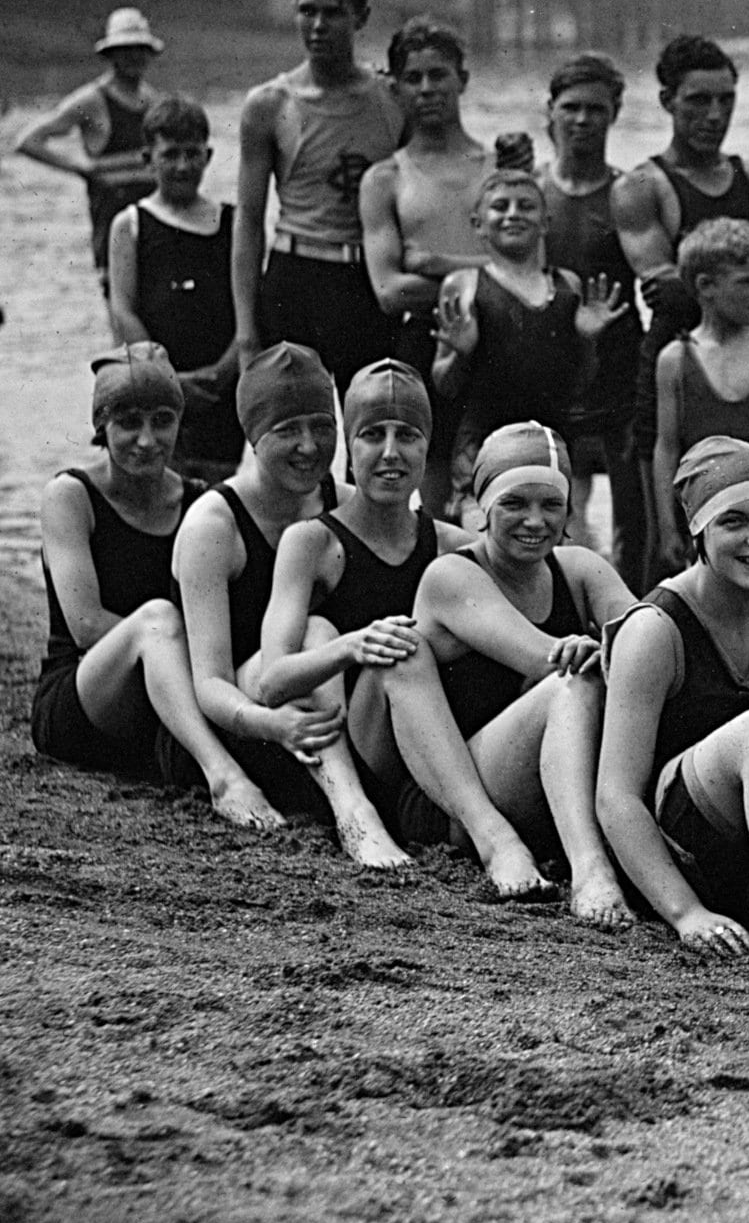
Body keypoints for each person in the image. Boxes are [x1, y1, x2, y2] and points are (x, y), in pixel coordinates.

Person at [251, 361, 555, 899]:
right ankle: (473, 837)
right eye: (373, 435)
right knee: (340, 632)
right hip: (354, 746)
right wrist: (353, 645)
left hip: (436, 756)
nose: (391, 453)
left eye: (408, 436)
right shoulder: (313, 542)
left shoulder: (453, 543)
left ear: (427, 447)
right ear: (348, 445)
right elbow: (271, 682)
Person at [171, 342, 411, 868]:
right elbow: (206, 681)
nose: (309, 446)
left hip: (317, 728)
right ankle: (354, 815)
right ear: (253, 436)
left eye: (322, 426)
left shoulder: (343, 503)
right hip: (239, 725)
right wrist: (270, 724)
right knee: (315, 629)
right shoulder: (214, 527)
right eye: (287, 430)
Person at [410, 423, 642, 922]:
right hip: (456, 802)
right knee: (575, 680)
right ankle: (591, 871)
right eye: (515, 503)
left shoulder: (579, 569)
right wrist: (593, 647)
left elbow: (649, 643)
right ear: (483, 505)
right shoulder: (450, 575)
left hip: (540, 791)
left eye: (551, 505)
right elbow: (543, 656)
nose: (535, 521)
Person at [594, 438, 749, 957]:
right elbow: (616, 797)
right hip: (671, 856)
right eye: (734, 521)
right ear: (698, 530)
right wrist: (685, 913)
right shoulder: (656, 629)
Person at [33, 345, 270, 827]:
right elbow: (85, 626)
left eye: (163, 420)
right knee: (159, 618)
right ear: (102, 428)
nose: (146, 439)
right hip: (86, 696)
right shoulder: (71, 496)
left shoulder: (201, 501)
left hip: (166, 705)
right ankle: (224, 778)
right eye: (128, 423)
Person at [614, 35, 749, 585]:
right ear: (668, 100)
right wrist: (747, 274)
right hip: (676, 363)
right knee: (656, 541)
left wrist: (706, 277)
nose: (714, 114)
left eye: (726, 99)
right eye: (698, 100)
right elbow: (664, 288)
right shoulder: (642, 187)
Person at [232, 0, 407, 381]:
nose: (317, 26)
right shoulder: (269, 105)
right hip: (294, 277)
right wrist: (245, 330)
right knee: (291, 434)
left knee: (367, 429)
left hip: (364, 281)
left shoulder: (394, 99)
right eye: (306, 11)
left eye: (332, 12)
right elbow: (249, 222)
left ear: (361, 17)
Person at [359, 18, 490, 515]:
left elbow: (526, 268)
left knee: (505, 473)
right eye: (413, 78)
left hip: (498, 338)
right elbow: (389, 289)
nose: (427, 89)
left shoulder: (498, 167)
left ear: (463, 80)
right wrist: (480, 274)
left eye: (439, 75)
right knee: (435, 481)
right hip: (425, 338)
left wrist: (436, 263)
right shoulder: (385, 178)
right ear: (394, 88)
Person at [433, 168, 628, 499]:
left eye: (525, 206)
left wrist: (587, 340)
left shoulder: (568, 285)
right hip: (481, 452)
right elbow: (444, 384)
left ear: (545, 223)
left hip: (553, 448)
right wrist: (461, 353)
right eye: (500, 206)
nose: (513, 214)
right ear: (478, 223)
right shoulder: (463, 284)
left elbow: (581, 383)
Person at [537, 53, 645, 573]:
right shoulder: (530, 194)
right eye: (571, 108)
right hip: (548, 367)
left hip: (619, 368)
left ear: (615, 113)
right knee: (555, 509)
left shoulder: (630, 193)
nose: (582, 121)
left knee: (633, 515)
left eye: (595, 110)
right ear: (550, 112)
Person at [104, 98, 245, 477]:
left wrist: (222, 373)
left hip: (221, 391)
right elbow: (123, 310)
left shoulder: (233, 222)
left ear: (209, 155)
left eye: (192, 154)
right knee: (157, 488)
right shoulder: (130, 224)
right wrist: (168, 379)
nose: (182, 166)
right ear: (148, 158)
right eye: (170, 155)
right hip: (154, 391)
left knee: (216, 492)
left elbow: (248, 308)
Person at [651, 218, 749, 574]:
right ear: (705, 286)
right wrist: (667, 529)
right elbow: (666, 449)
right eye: (746, 282)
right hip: (703, 523)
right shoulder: (675, 360)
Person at [15, 6, 163, 280]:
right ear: (111, 55)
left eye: (141, 49)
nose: (135, 56)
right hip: (111, 216)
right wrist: (80, 166)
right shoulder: (91, 100)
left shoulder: (153, 101)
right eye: (126, 49)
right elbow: (28, 141)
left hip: (152, 215)